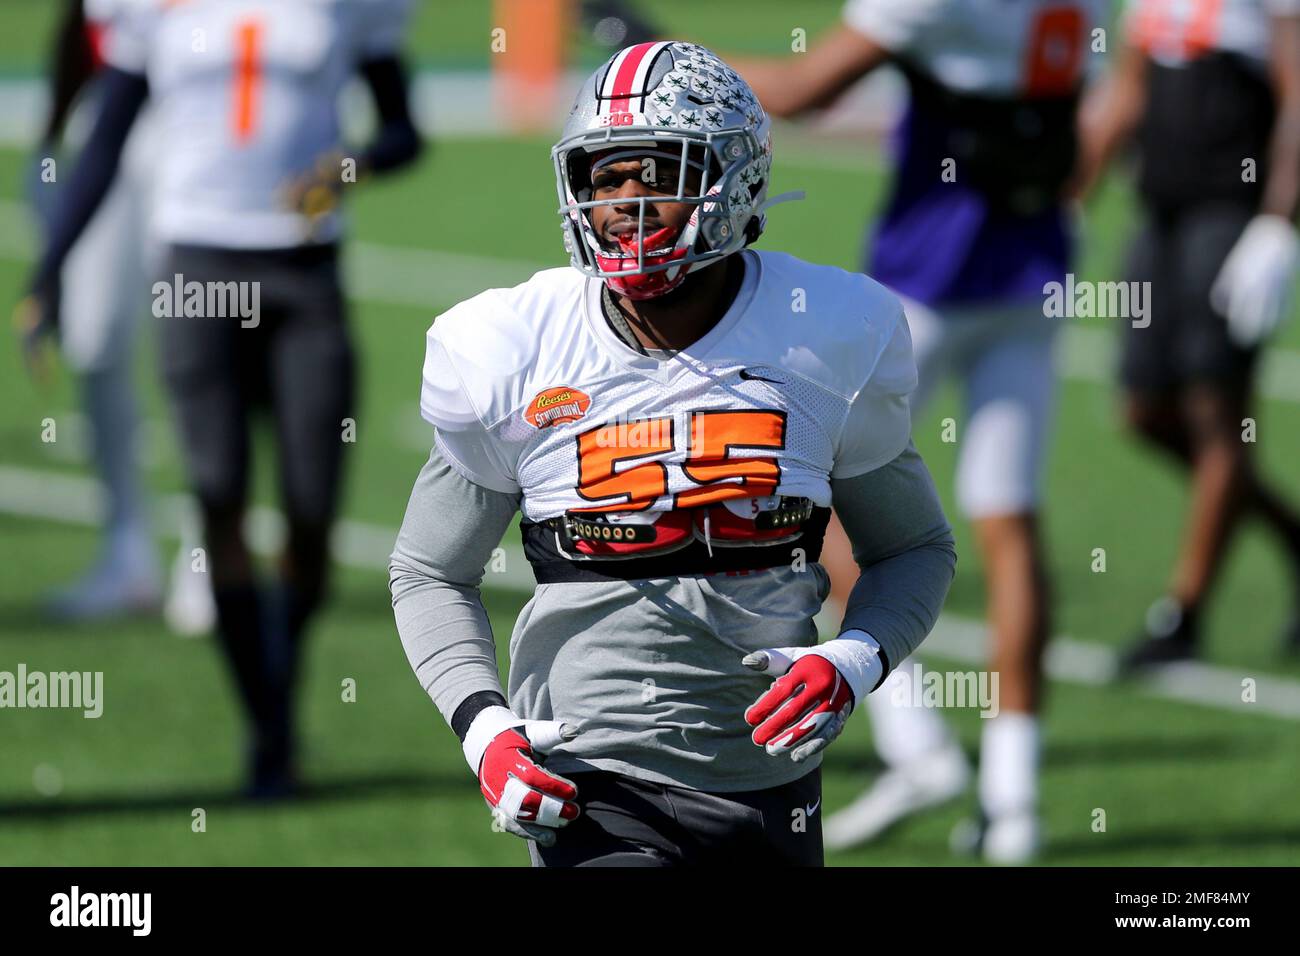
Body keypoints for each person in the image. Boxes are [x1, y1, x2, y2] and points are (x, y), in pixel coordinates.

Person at [389, 40, 956, 867]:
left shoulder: (826, 334)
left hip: (771, 782)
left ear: (736, 177)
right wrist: (484, 728)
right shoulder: (514, 346)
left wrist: (853, 658)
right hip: (591, 779)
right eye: (603, 177)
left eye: (654, 173)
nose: (623, 202)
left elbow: (913, 548)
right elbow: (430, 568)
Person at [730, 0, 1102, 862]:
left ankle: (913, 737)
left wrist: (662, 50)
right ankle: (1014, 803)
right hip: (1033, 274)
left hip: (926, 287)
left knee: (794, 494)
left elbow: (797, 89)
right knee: (1010, 528)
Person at [22, 0, 423, 797]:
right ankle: (268, 728)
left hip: (304, 271)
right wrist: (50, 269)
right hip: (196, 268)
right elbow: (106, 136)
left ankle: (283, 679)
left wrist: (345, 168)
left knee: (311, 514)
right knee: (220, 499)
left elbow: (402, 131)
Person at [1077, 0, 1300, 670]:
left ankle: (1184, 614)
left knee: (1217, 413)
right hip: (1160, 208)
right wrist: (1072, 199)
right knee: (1144, 411)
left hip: (1231, 211)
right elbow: (1127, 85)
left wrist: (1278, 224)